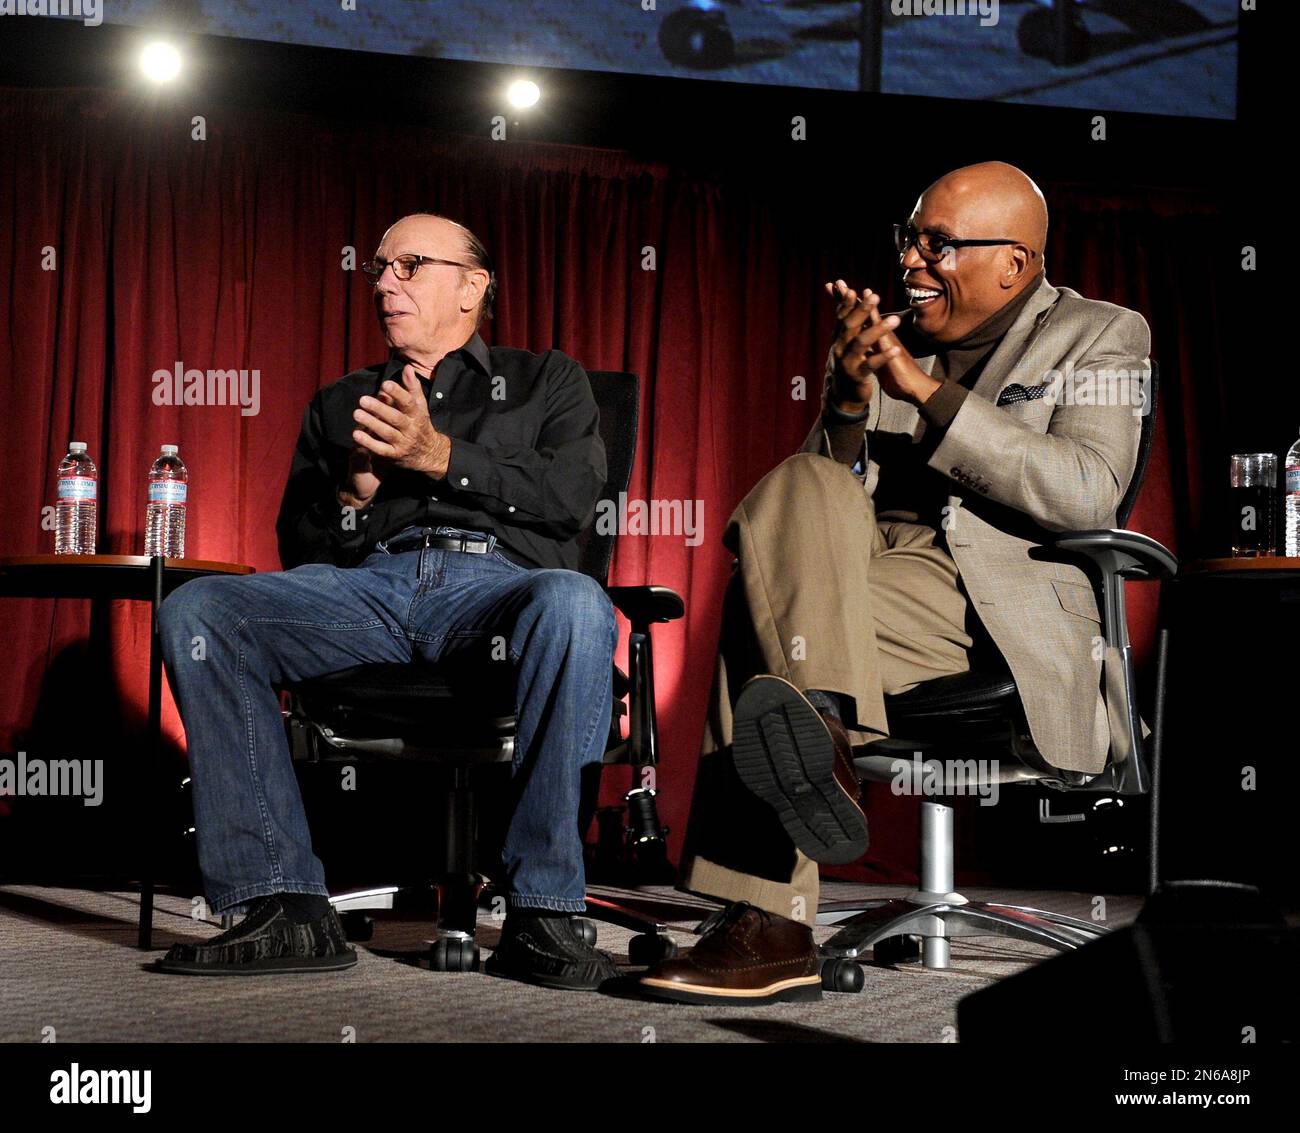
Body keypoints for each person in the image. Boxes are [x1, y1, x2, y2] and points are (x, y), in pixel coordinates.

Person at [640, 162, 1151, 1005]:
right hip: (861, 585)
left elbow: (1087, 490)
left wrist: (930, 394)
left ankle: (768, 919)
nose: (912, 261)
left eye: (937, 243)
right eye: (908, 238)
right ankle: (825, 737)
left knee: (759, 616)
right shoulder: (891, 343)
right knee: (794, 497)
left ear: (1013, 265)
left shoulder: (1100, 335)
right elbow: (801, 515)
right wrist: (847, 398)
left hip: (997, 601)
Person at [155, 213, 620, 991]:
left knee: (575, 603)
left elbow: (573, 498)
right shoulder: (342, 401)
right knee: (202, 609)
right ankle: (285, 902)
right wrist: (356, 492)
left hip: (500, 592)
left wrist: (440, 456)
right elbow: (300, 551)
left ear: (473, 286)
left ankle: (542, 913)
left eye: (408, 265)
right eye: (377, 268)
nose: (383, 282)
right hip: (370, 587)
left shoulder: (547, 379)